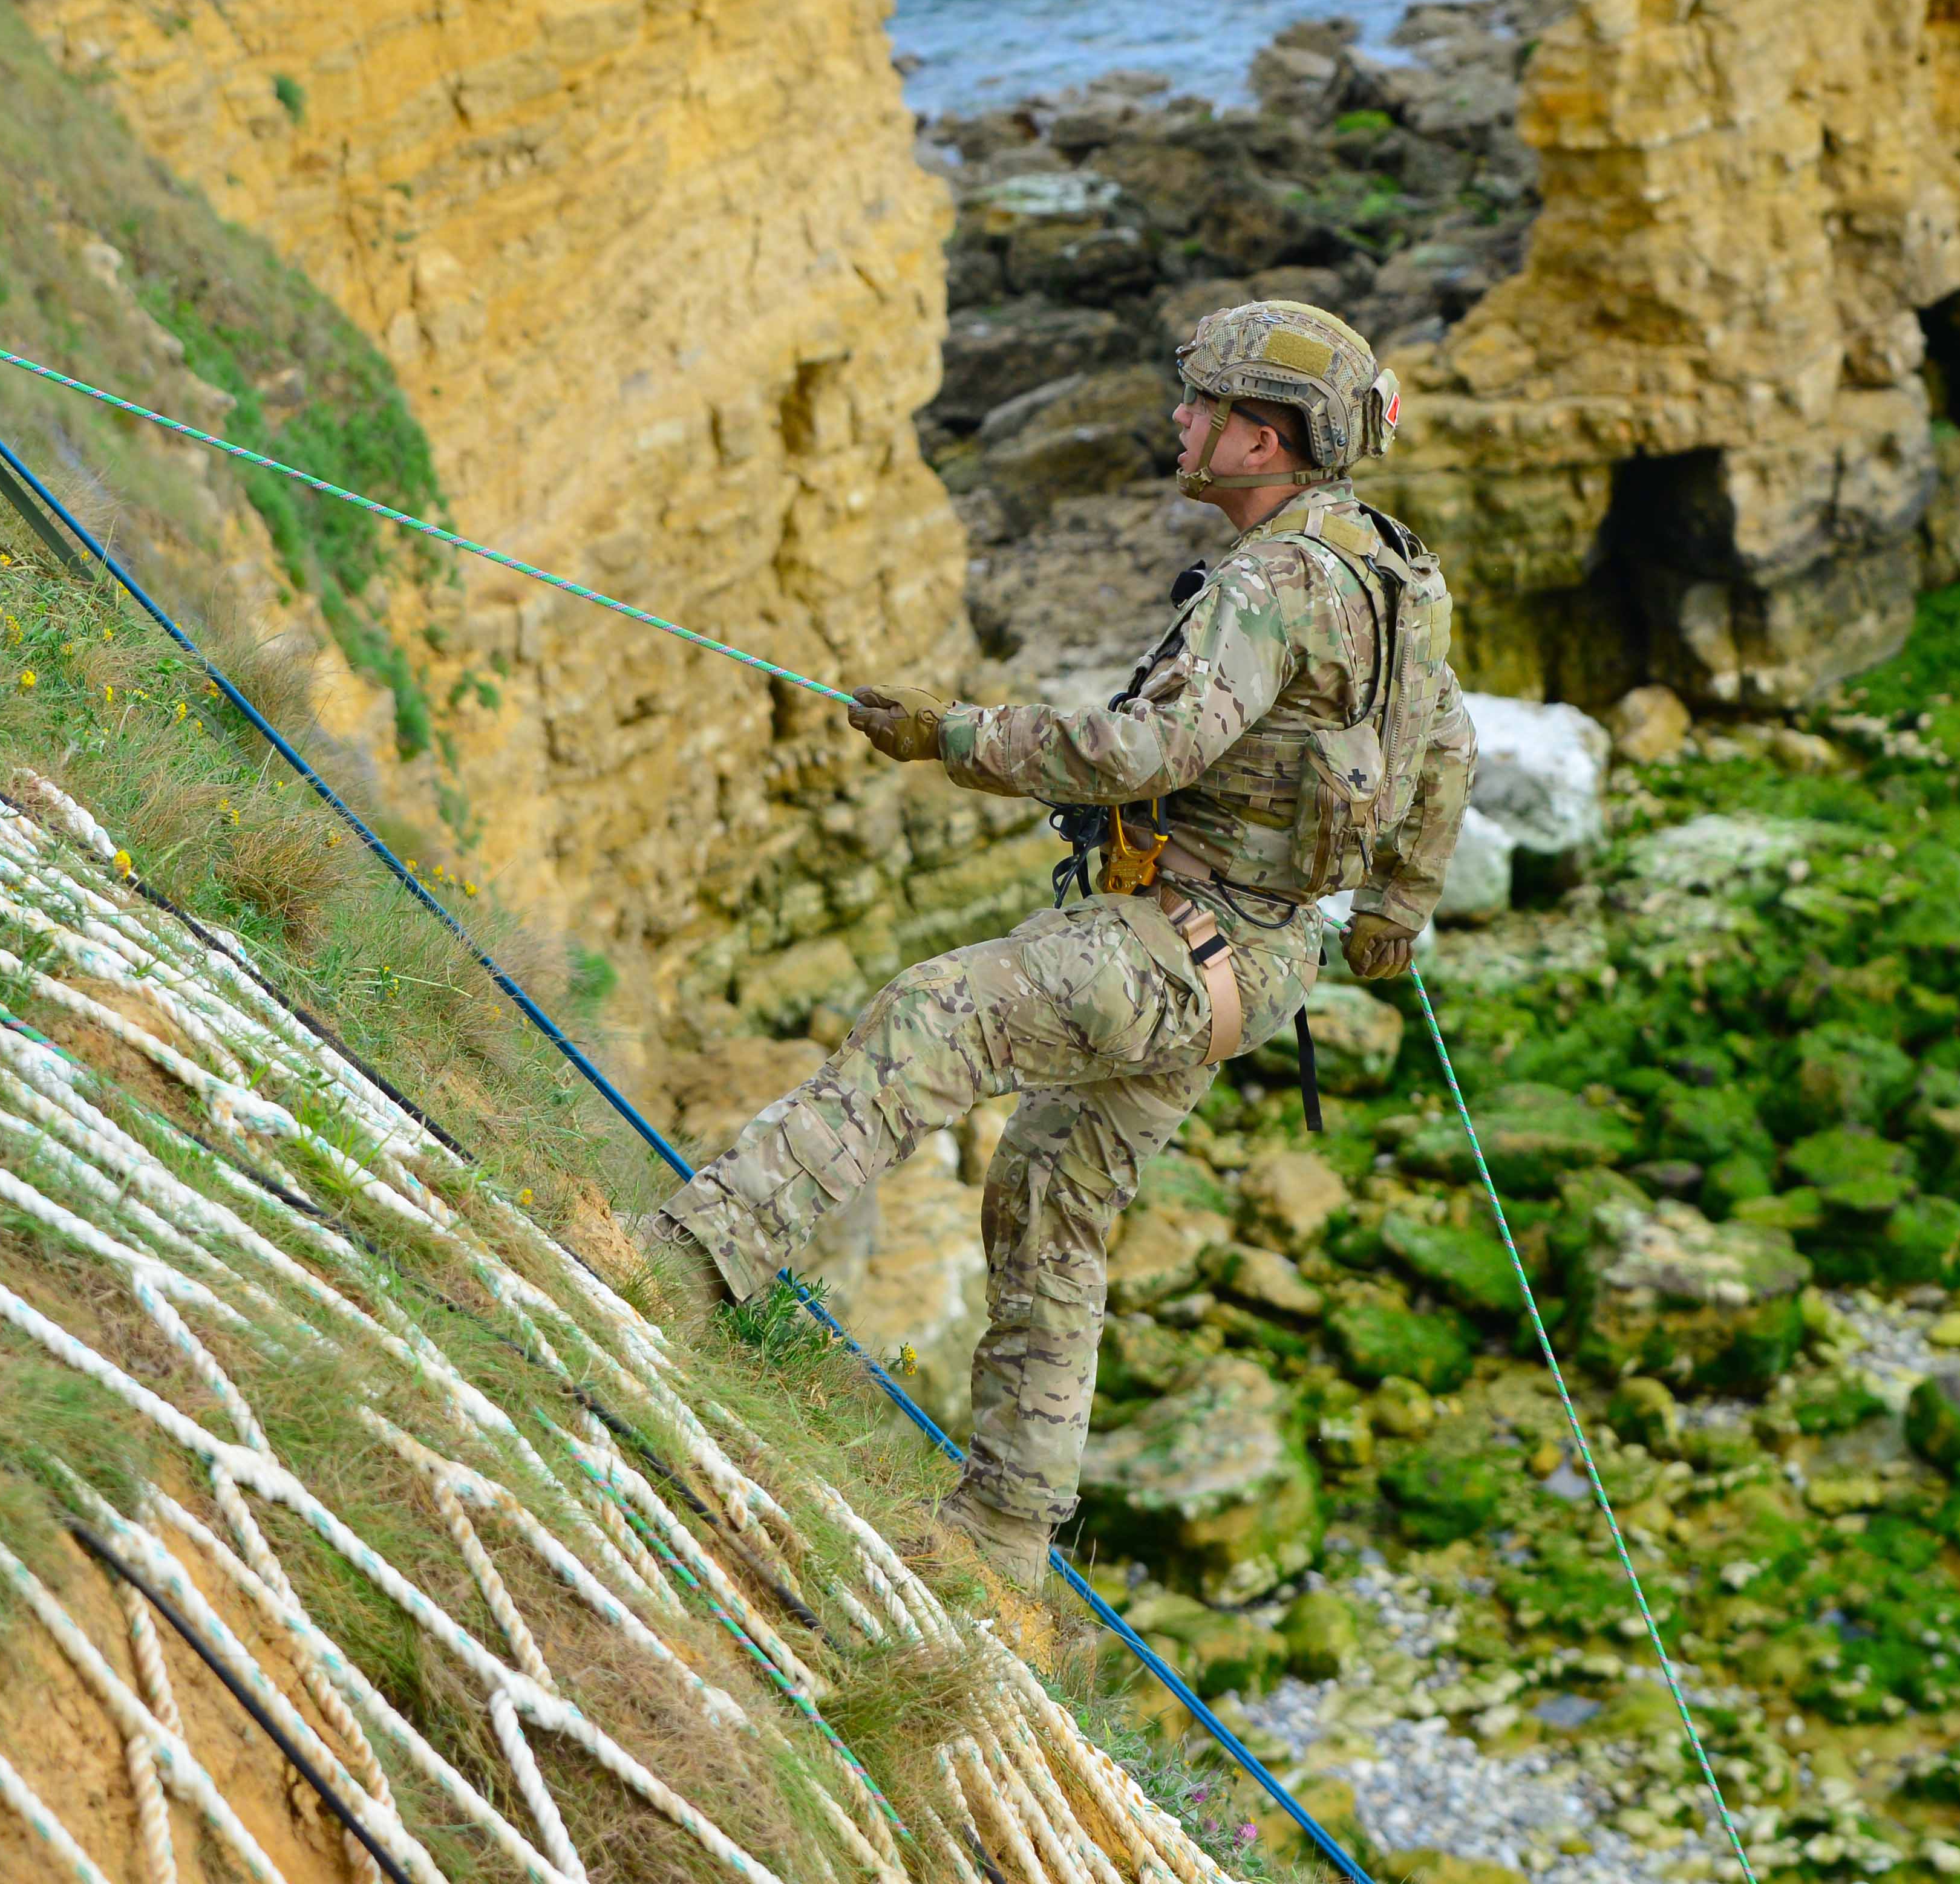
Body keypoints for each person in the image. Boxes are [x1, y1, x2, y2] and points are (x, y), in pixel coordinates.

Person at [626, 300, 1475, 1583]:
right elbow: (1450, 748)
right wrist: (1395, 912)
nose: (1178, 420)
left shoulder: (1268, 582)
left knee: (939, 1015)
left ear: (1266, 439)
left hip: (1172, 945)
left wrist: (948, 734)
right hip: (1259, 962)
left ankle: (686, 1265)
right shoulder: (1394, 571)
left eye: (1204, 405)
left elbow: (1146, 750)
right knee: (1049, 1195)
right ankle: (1005, 1534)